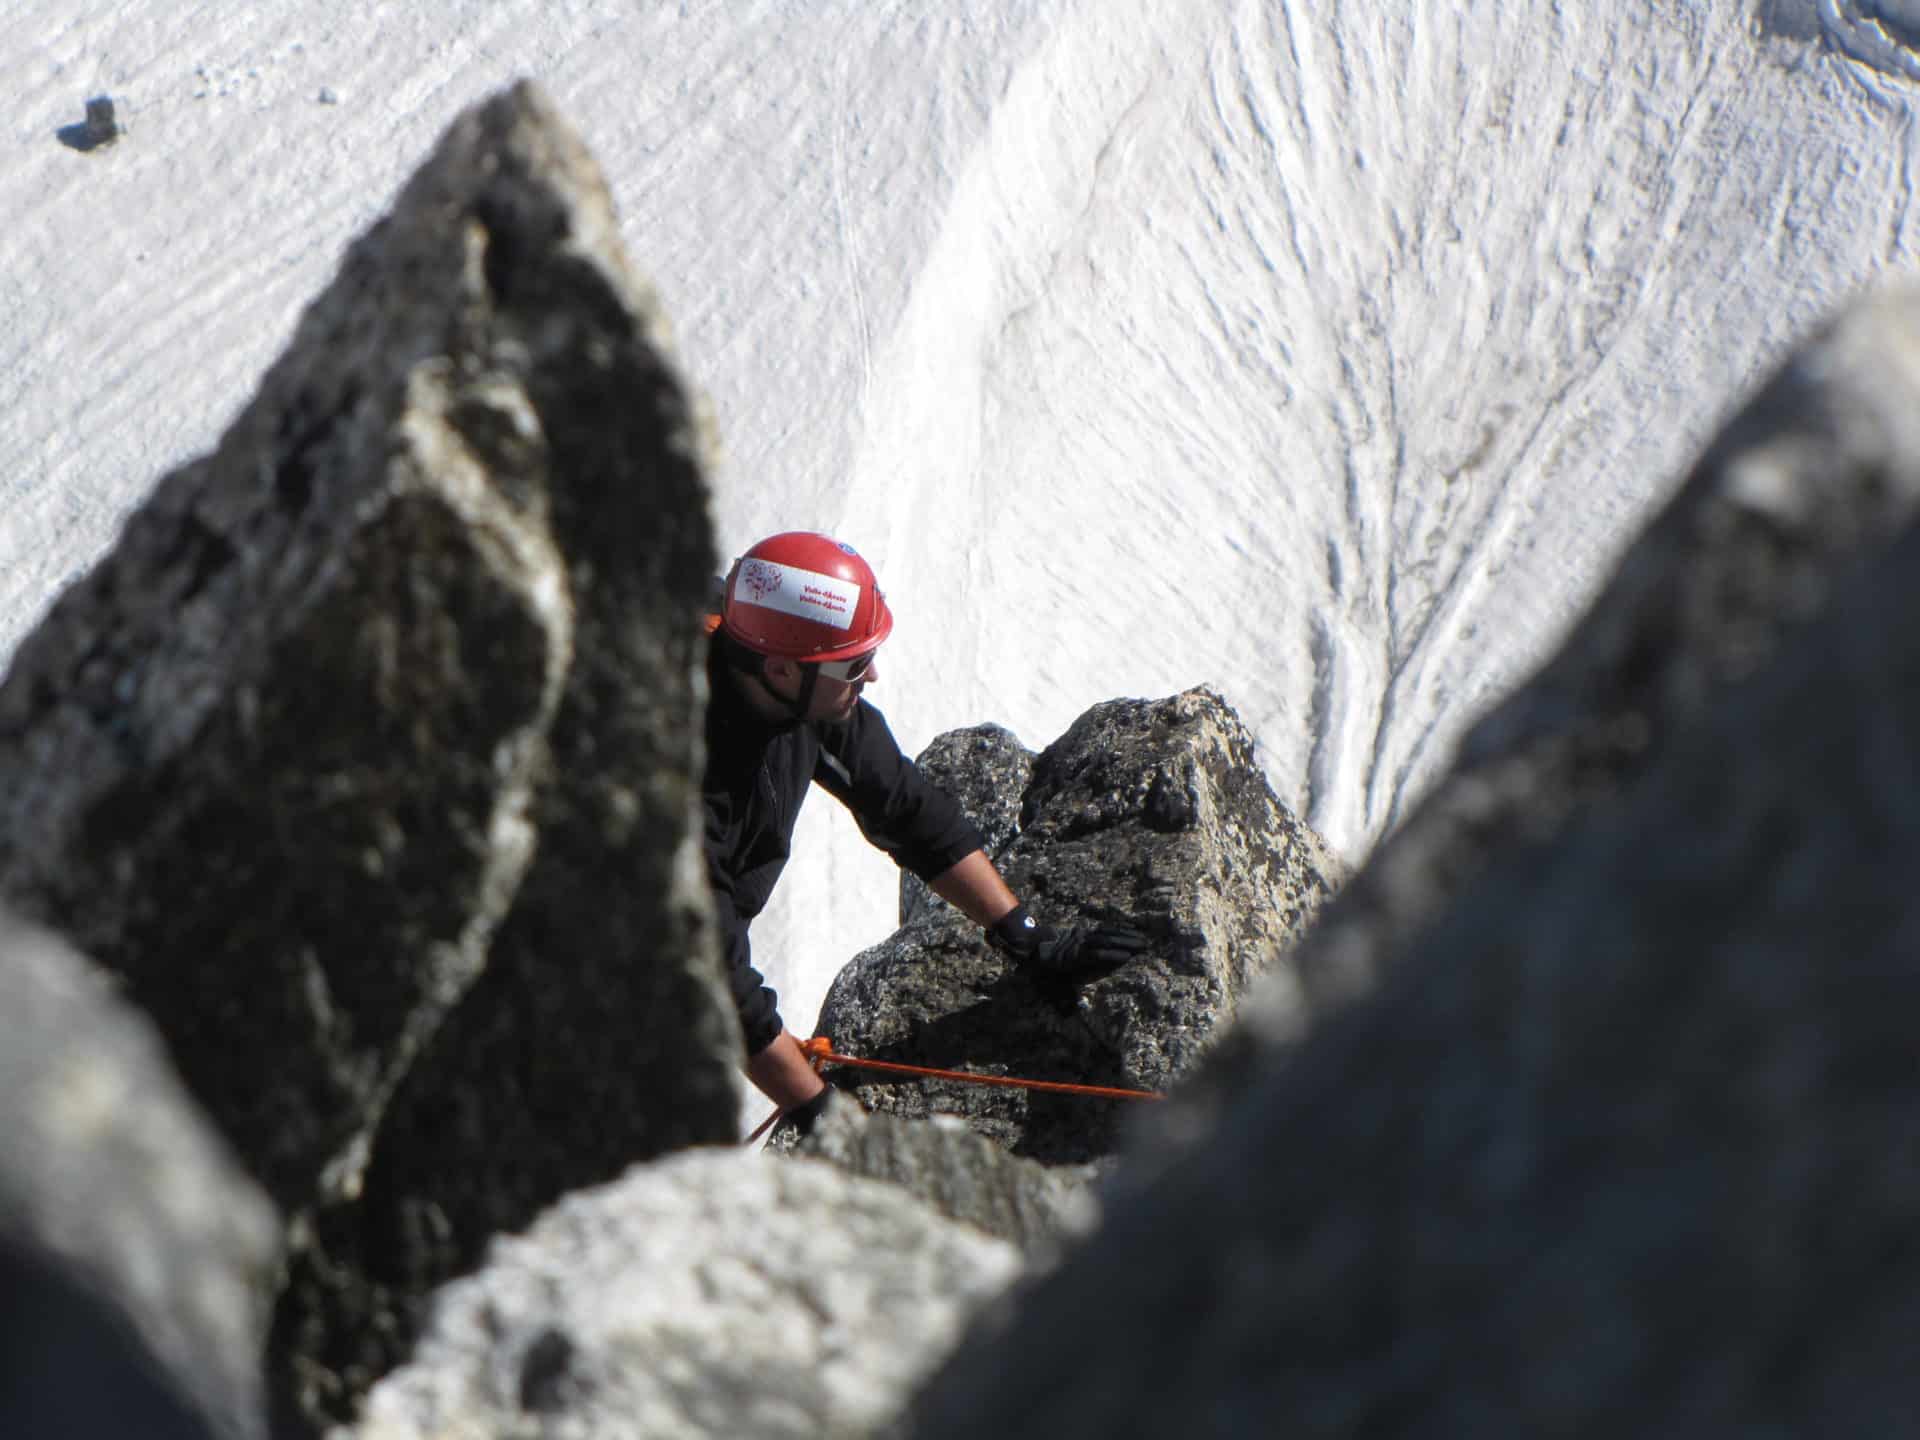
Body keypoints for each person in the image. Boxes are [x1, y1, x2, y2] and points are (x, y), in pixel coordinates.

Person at [702, 530, 1150, 1132]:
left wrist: (1026, 937)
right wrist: (824, 1117)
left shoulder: (797, 688)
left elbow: (904, 807)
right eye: (854, 665)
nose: (872, 675)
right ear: (780, 669)